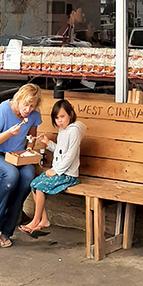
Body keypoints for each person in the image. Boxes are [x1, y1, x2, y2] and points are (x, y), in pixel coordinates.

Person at [0, 83, 42, 250]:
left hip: (17, 157)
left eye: (32, 106)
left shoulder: (34, 115)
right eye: (26, 104)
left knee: (28, 177)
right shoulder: (3, 109)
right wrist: (8, 133)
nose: (28, 109)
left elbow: (31, 137)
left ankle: (6, 231)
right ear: (18, 99)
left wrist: (30, 149)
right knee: (11, 175)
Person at [20, 99, 86, 235]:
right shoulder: (63, 130)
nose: (59, 121)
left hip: (68, 175)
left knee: (40, 187)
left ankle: (35, 220)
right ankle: (44, 220)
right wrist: (48, 143)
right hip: (59, 171)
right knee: (34, 184)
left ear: (70, 114)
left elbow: (70, 156)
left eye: (62, 116)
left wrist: (56, 171)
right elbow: (61, 152)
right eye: (56, 118)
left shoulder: (74, 131)